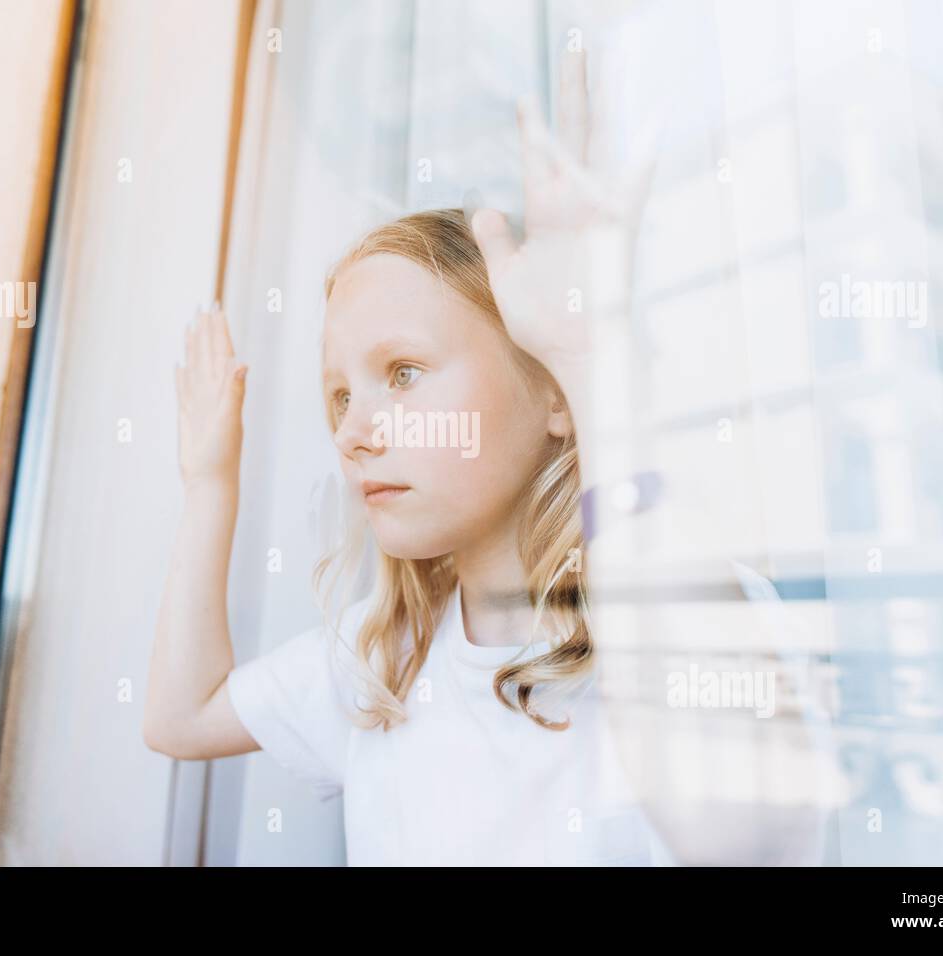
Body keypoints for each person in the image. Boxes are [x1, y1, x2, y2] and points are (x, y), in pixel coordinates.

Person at [144, 51, 837, 865]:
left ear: (548, 394)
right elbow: (179, 716)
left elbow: (749, 841)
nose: (353, 432)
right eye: (340, 396)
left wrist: (590, 358)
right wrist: (208, 483)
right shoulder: (381, 663)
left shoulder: (676, 615)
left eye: (403, 373)